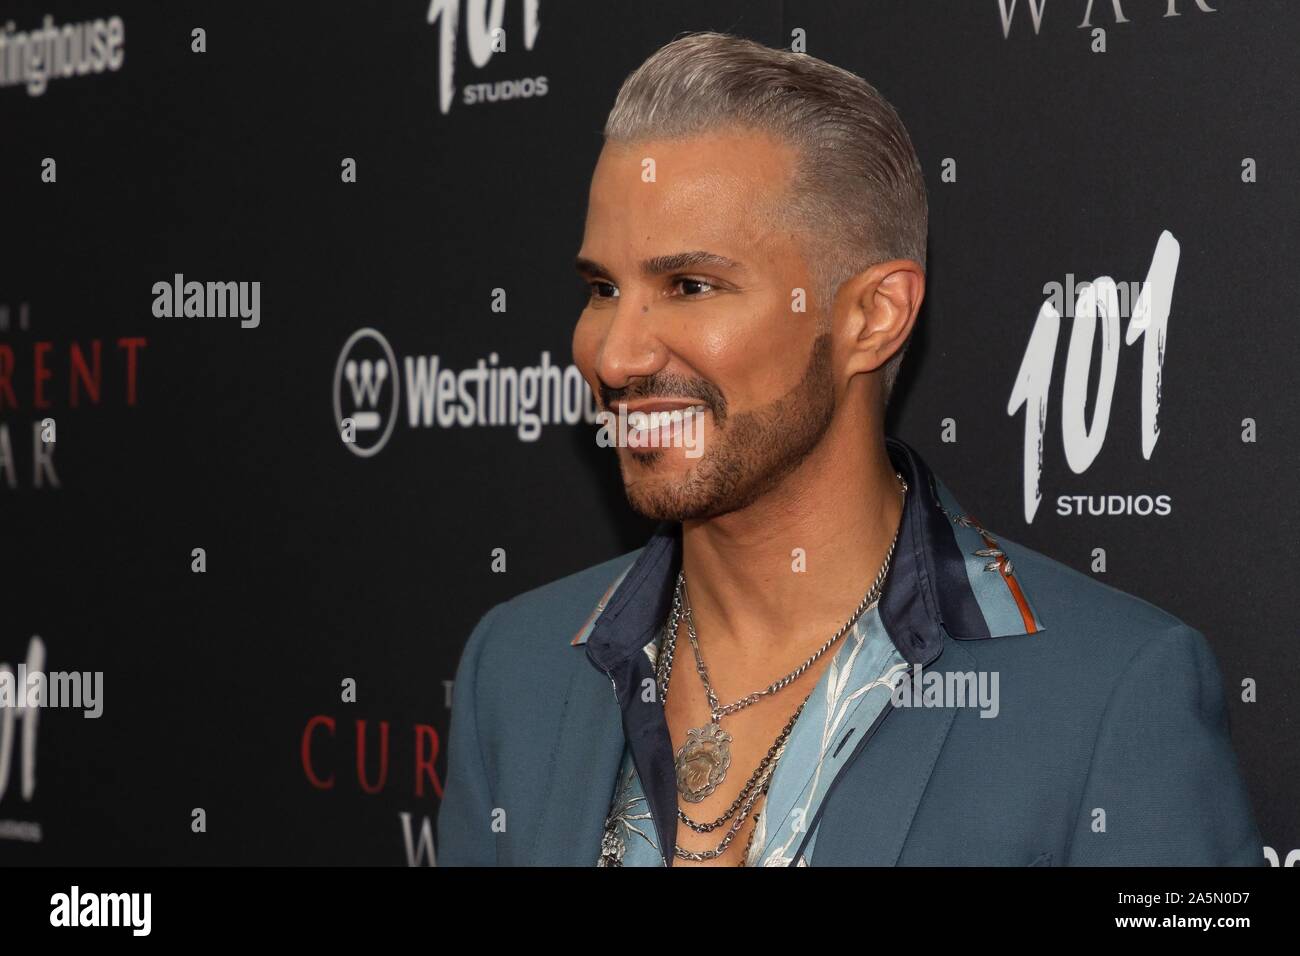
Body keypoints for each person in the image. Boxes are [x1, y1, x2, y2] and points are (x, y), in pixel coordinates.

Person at [436, 31, 1262, 866]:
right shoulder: (516, 671)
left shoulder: (1110, 698)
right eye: (603, 290)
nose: (615, 356)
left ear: (873, 316)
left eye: (690, 286)